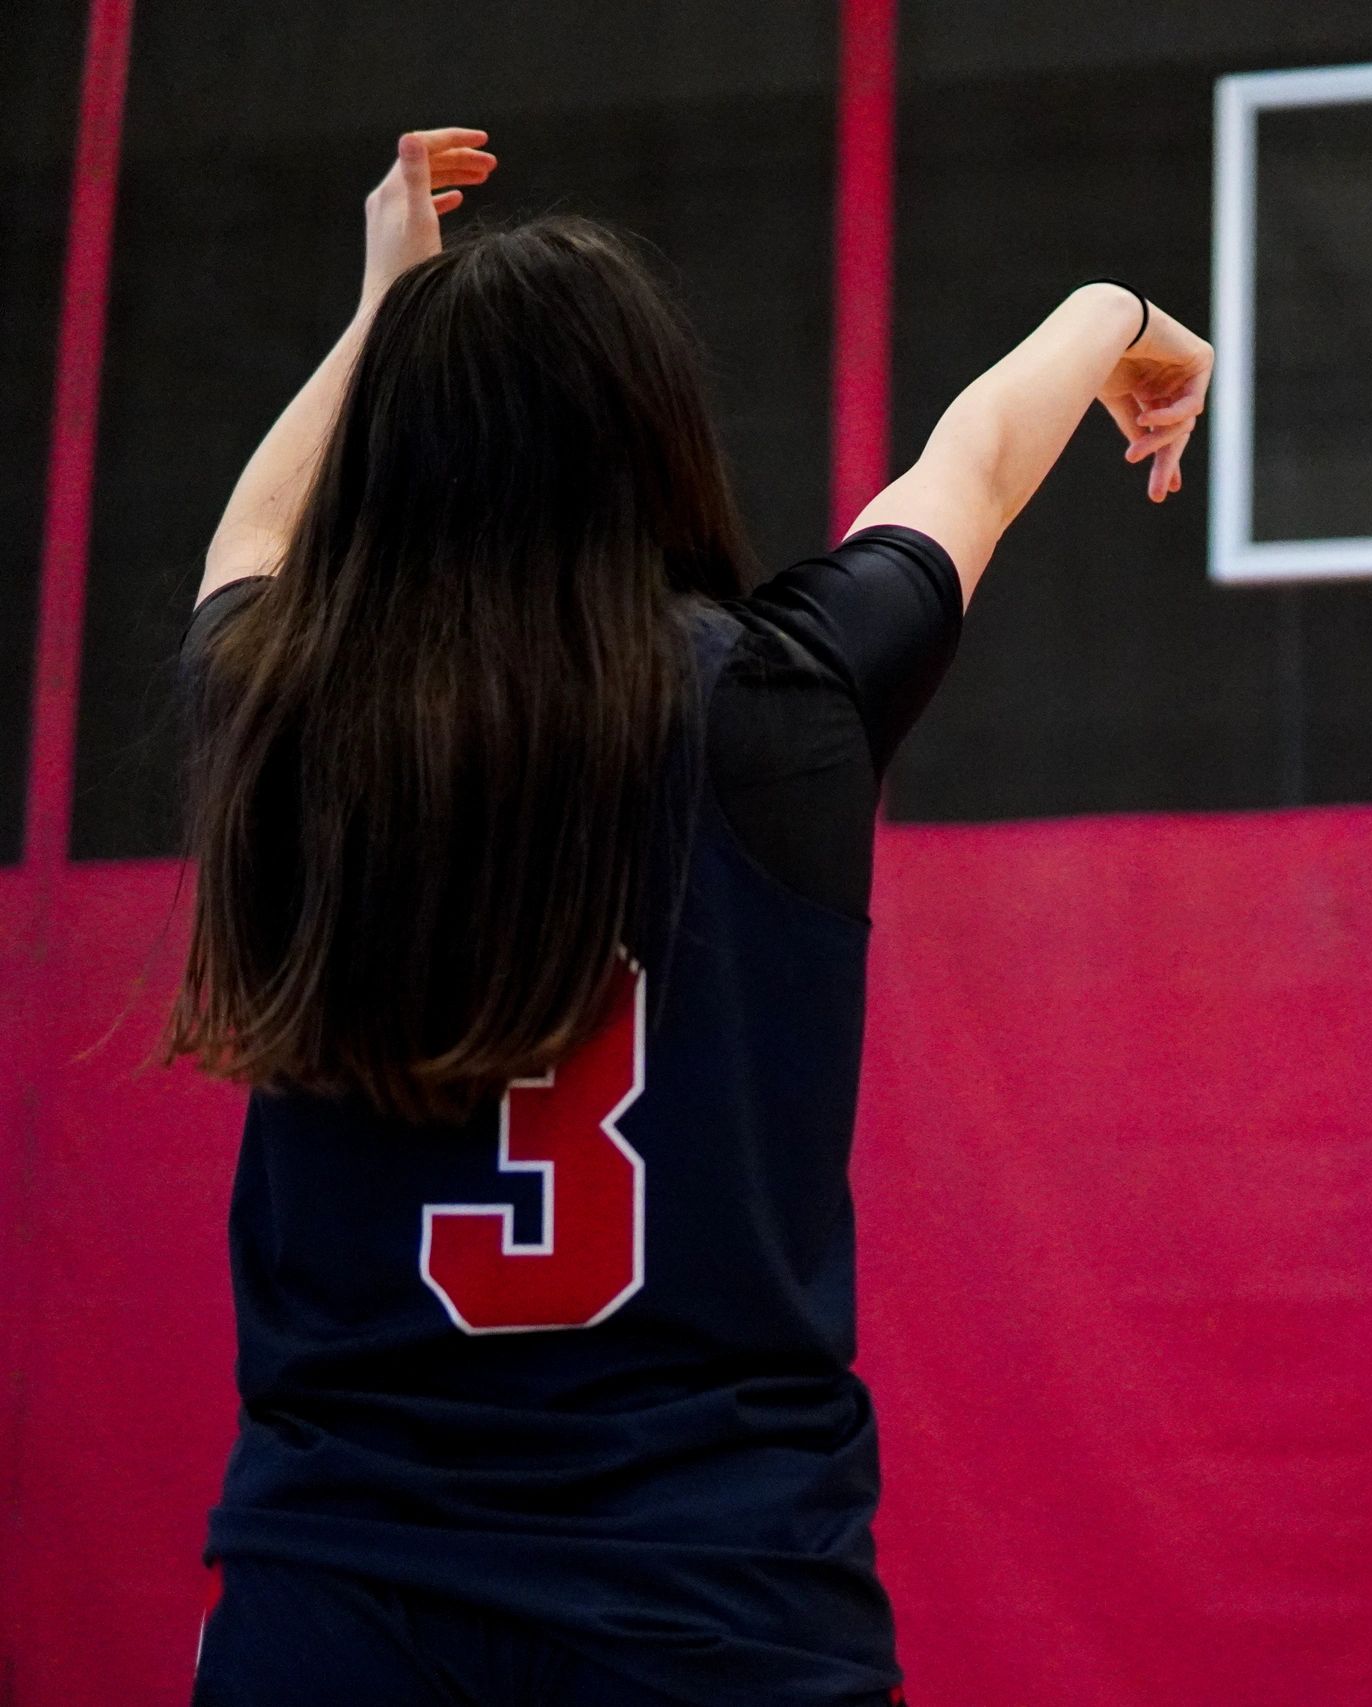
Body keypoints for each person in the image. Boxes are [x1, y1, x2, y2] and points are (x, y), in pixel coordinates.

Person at [170, 127, 1212, 1707]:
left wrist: (388, 300)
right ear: (657, 436)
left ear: (395, 452)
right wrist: (1114, 316)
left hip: (339, 1602)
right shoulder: (785, 698)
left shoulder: (285, 713)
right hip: (716, 1603)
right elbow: (975, 463)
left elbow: (248, 546)